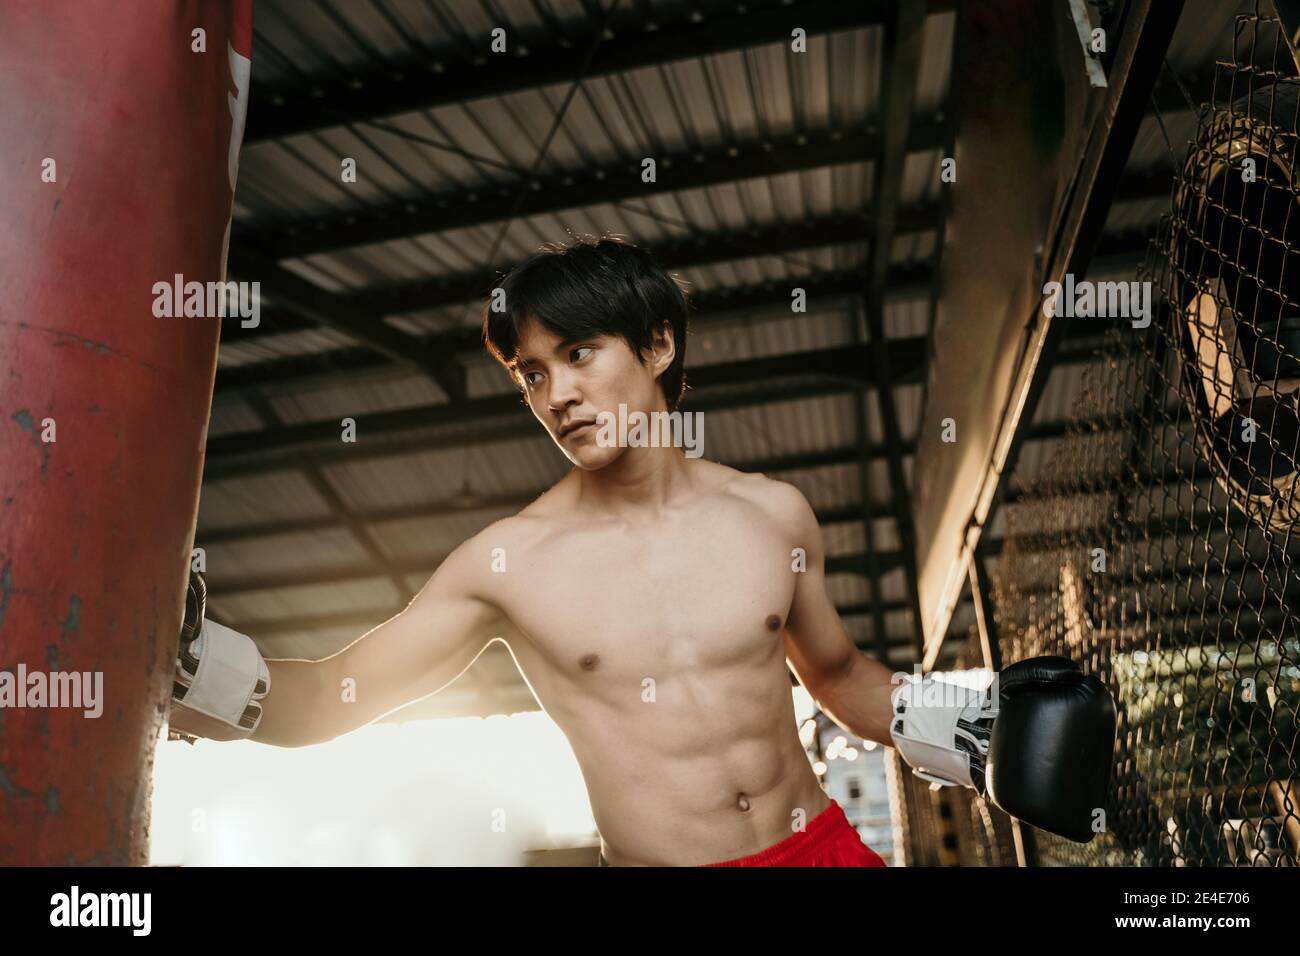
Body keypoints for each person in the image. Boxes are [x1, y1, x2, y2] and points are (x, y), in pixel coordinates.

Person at [170, 236, 1115, 866]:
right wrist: (185, 664)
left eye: (579, 353)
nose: (557, 394)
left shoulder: (773, 516)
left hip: (822, 848)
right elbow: (331, 699)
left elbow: (840, 675)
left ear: (657, 346)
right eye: (532, 374)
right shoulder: (507, 562)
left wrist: (978, 719)